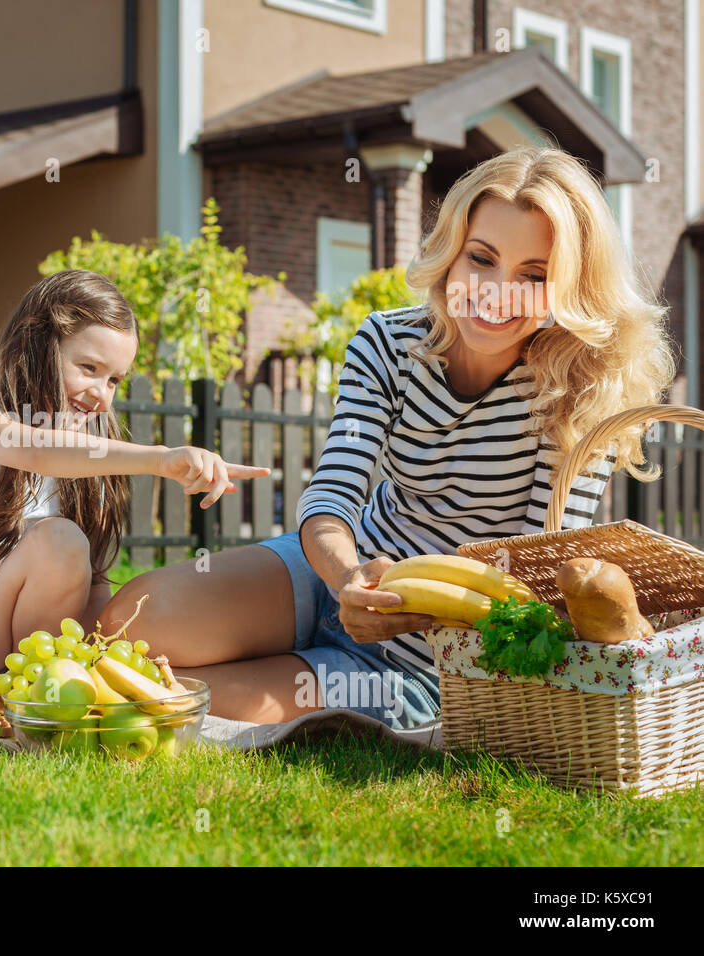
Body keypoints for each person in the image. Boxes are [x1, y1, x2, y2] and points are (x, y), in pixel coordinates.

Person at [97, 146, 676, 729]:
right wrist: (347, 579)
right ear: (451, 252)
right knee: (128, 626)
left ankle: (304, 671)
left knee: (162, 698)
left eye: (534, 275)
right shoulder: (388, 344)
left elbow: (534, 568)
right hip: (335, 573)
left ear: (568, 290)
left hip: (427, 657)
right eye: (481, 258)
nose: (497, 293)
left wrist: (422, 611)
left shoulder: (581, 387)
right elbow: (333, 493)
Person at [0, 269, 271, 672]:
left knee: (66, 544)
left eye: (114, 380)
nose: (102, 396)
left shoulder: (84, 452)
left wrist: (108, 653)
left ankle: (32, 692)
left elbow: (92, 585)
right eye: (89, 369)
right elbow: (30, 449)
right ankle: (17, 688)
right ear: (37, 347)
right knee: (59, 539)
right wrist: (160, 460)